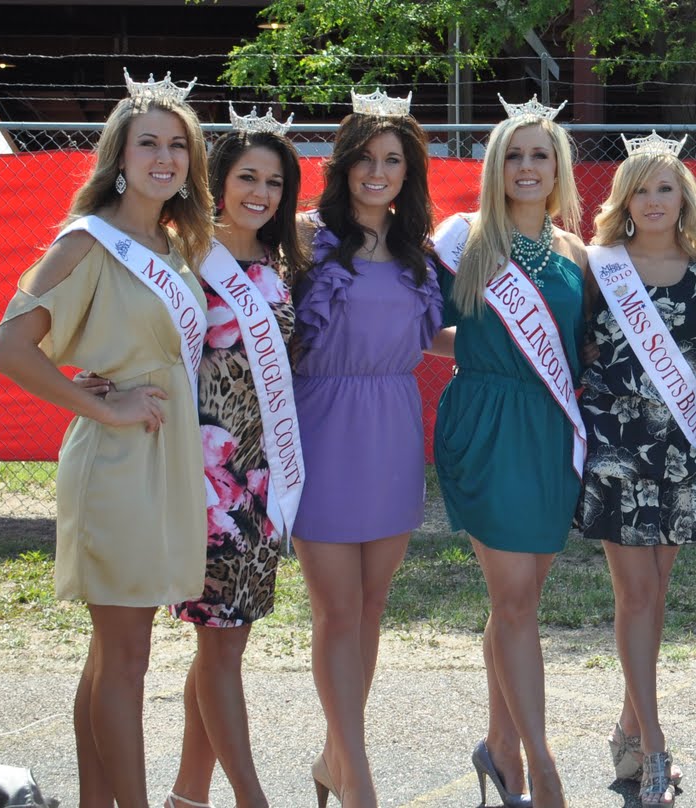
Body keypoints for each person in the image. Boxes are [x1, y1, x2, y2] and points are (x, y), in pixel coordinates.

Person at [0, 70, 214, 808]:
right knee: (127, 658)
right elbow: (8, 348)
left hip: (163, 460)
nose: (164, 157)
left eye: (177, 145)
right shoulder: (87, 242)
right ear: (119, 155)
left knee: (110, 657)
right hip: (119, 465)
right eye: (148, 142)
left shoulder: (173, 242)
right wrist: (104, 409)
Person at [288, 90, 446, 808]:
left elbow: (431, 338)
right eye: (365, 160)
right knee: (336, 612)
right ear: (343, 165)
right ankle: (359, 780)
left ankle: (332, 755)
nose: (378, 173)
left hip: (391, 425)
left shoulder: (420, 251)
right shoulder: (301, 238)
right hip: (320, 426)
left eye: (393, 161)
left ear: (409, 173)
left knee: (373, 607)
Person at [430, 97, 587, 808]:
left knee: (518, 599)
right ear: (497, 166)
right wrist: (483, 358)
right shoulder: (463, 239)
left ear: (558, 169)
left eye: (540, 155)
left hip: (551, 429)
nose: (528, 167)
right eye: (515, 155)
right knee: (515, 600)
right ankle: (540, 766)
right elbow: (418, 325)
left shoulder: (575, 253)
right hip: (487, 426)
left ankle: (498, 748)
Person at [160, 107, 308, 808]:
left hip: (258, 478)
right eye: (248, 176)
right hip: (204, 480)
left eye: (275, 182)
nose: (262, 192)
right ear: (217, 180)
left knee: (223, 645)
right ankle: (252, 798)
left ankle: (188, 797)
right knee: (221, 647)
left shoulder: (277, 264)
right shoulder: (183, 255)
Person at [581, 131, 696, 806]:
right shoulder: (599, 263)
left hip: (680, 450)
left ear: (684, 197)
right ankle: (657, 746)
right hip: (618, 449)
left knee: (656, 593)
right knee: (635, 595)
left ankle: (628, 727)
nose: (655, 198)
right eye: (642, 187)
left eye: (666, 186)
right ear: (624, 199)